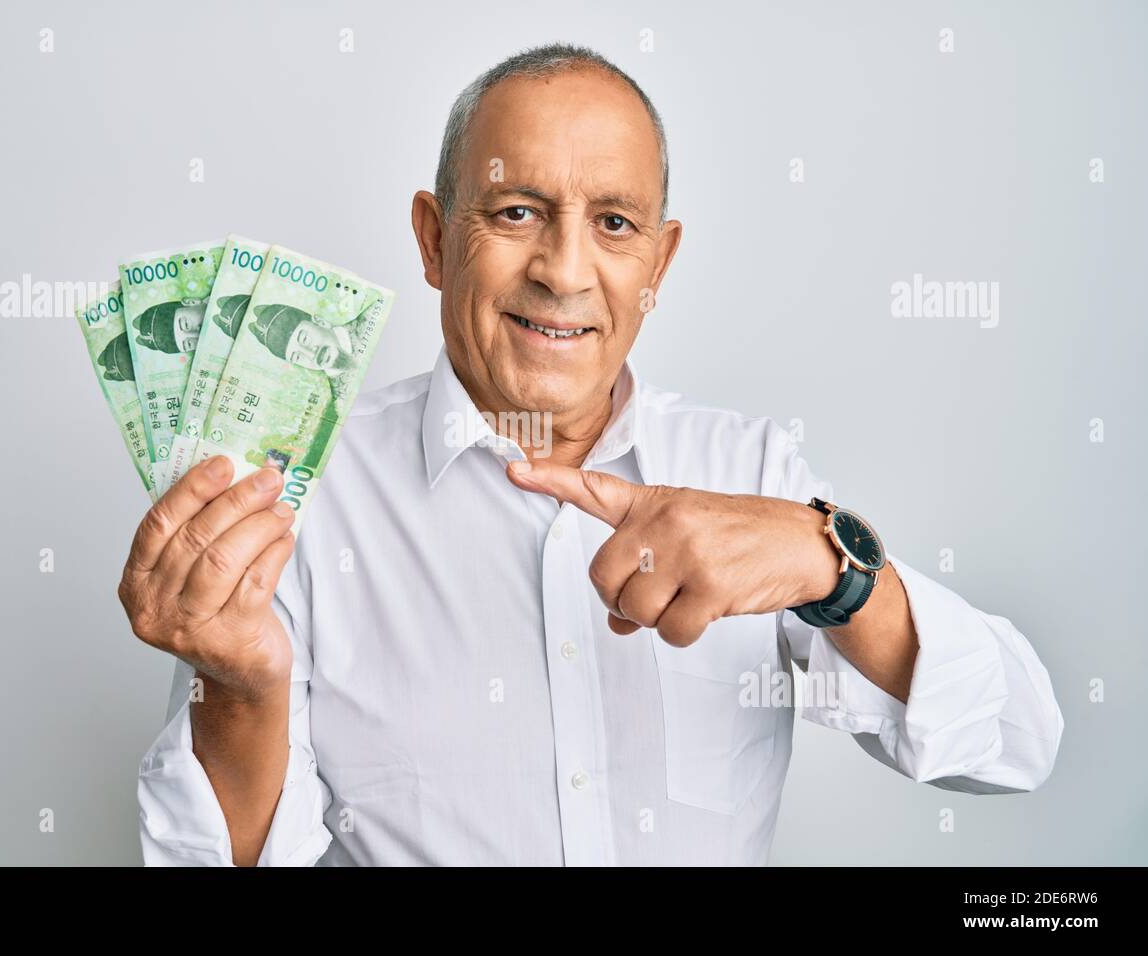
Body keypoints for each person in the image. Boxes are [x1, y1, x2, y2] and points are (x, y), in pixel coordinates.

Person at [122, 43, 1062, 866]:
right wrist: (242, 691)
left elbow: (1013, 747)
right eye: (519, 211)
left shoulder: (757, 473)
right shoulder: (300, 496)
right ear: (434, 239)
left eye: (614, 223)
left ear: (658, 262)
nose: (564, 271)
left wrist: (833, 567)